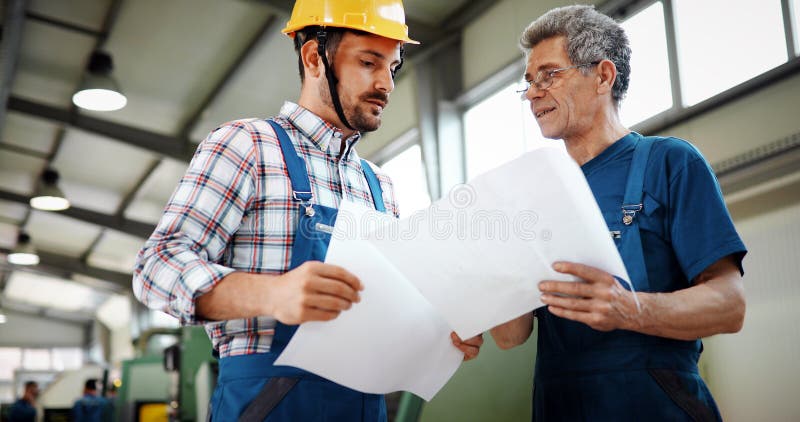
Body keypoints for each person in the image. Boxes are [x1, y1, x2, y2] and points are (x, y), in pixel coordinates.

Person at [132, 0, 481, 420]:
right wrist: (272, 294)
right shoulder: (247, 145)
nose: (386, 84)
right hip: (267, 403)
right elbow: (156, 266)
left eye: (392, 67)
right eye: (369, 62)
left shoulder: (379, 186)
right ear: (315, 57)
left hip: (363, 407)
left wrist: (438, 332)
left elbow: (386, 315)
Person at [489, 5, 747, 421]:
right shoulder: (532, 195)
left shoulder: (671, 163)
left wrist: (632, 310)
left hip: (656, 405)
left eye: (549, 74)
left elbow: (729, 305)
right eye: (529, 82)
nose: (534, 92)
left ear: (603, 77)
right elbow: (510, 335)